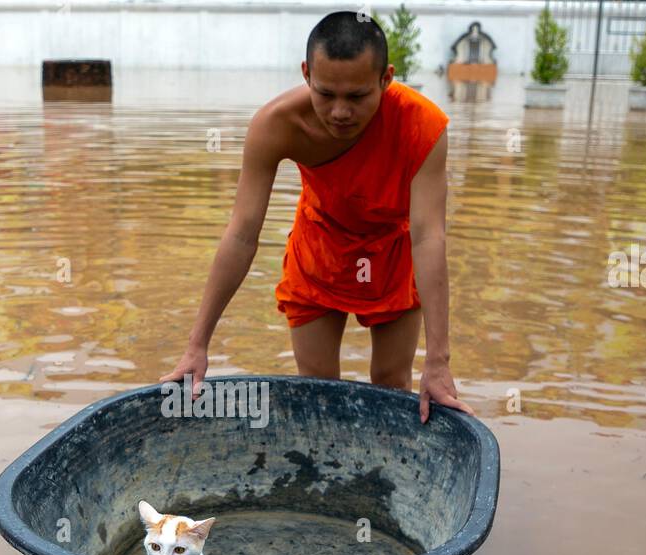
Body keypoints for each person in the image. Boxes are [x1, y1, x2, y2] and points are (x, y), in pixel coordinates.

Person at [161, 10, 475, 423]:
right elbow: (241, 233)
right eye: (326, 94)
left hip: (392, 252)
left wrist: (438, 361)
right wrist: (197, 345)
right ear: (307, 74)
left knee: (390, 383)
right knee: (318, 391)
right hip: (320, 249)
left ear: (386, 79)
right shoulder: (276, 125)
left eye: (358, 96)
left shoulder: (423, 126)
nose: (340, 112)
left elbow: (428, 237)